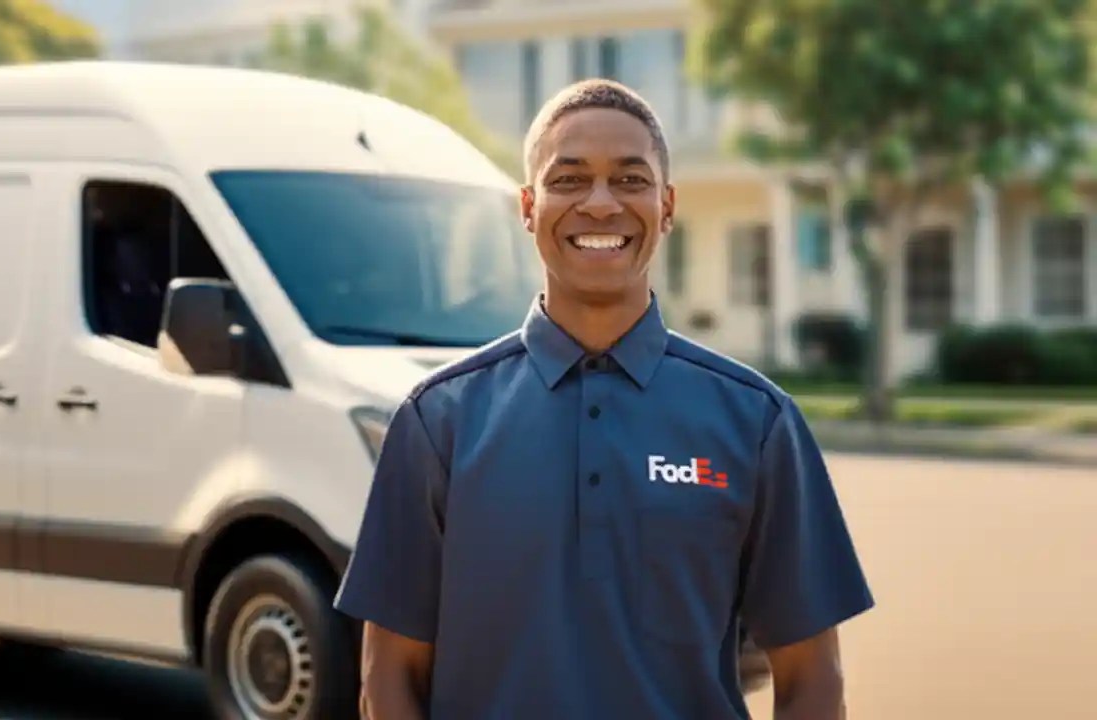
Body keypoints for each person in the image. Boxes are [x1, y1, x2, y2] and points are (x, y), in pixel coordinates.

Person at [334, 78, 875, 720]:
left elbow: (813, 679)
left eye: (629, 179)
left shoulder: (758, 423)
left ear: (666, 206)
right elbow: (390, 675)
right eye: (568, 180)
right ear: (528, 207)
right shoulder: (437, 421)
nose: (599, 204)